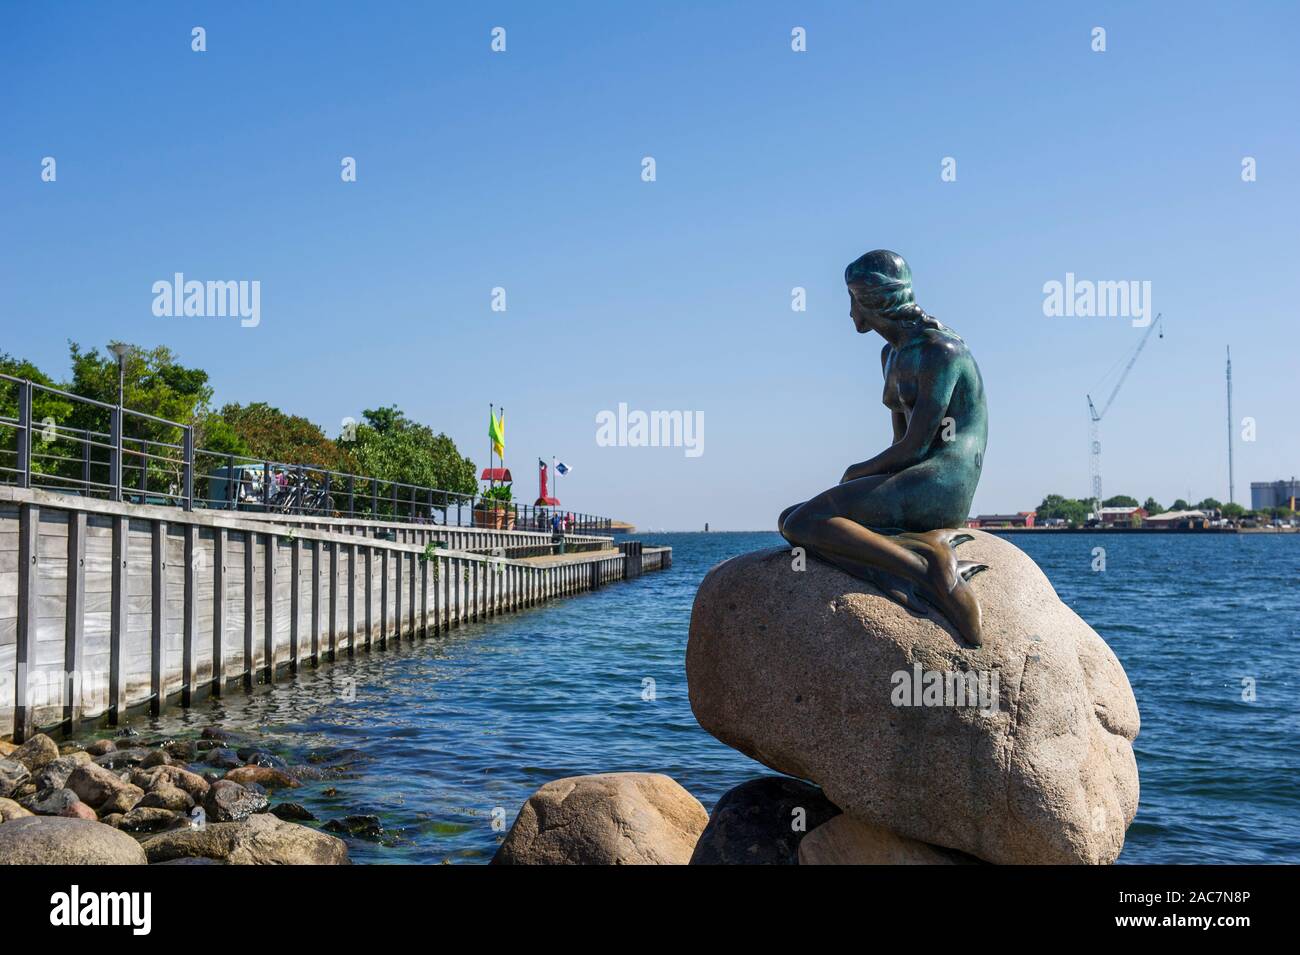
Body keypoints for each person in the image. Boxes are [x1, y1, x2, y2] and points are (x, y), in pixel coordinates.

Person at [778, 250, 989, 646]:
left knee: (804, 523)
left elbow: (917, 444)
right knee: (792, 517)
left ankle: (928, 571)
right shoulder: (890, 354)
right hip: (913, 475)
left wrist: (854, 474)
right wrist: (861, 480)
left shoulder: (940, 352)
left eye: (852, 298)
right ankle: (913, 550)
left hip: (943, 481)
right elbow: (899, 442)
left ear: (871, 298)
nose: (850, 311)